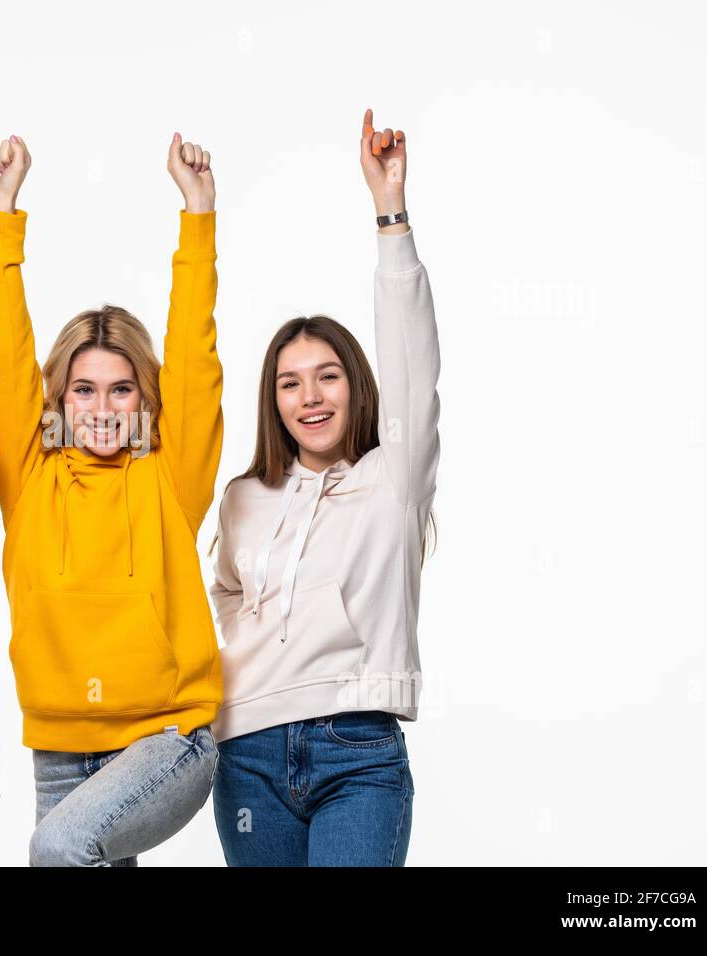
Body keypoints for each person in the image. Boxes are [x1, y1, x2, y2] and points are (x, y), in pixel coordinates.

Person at [0, 133, 223, 866]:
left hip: (167, 738)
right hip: (58, 746)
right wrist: (1, 213)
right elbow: (3, 351)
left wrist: (197, 216)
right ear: (60, 397)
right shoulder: (30, 474)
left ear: (145, 396)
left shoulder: (169, 476)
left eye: (122, 388)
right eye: (84, 389)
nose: (103, 406)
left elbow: (194, 356)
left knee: (58, 846)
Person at [208, 109, 438, 866]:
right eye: (290, 383)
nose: (310, 397)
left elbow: (413, 367)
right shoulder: (244, 498)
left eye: (328, 376)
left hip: (356, 748)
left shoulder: (390, 481)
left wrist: (390, 213)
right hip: (246, 758)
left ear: (356, 385)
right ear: (272, 401)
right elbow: (225, 602)